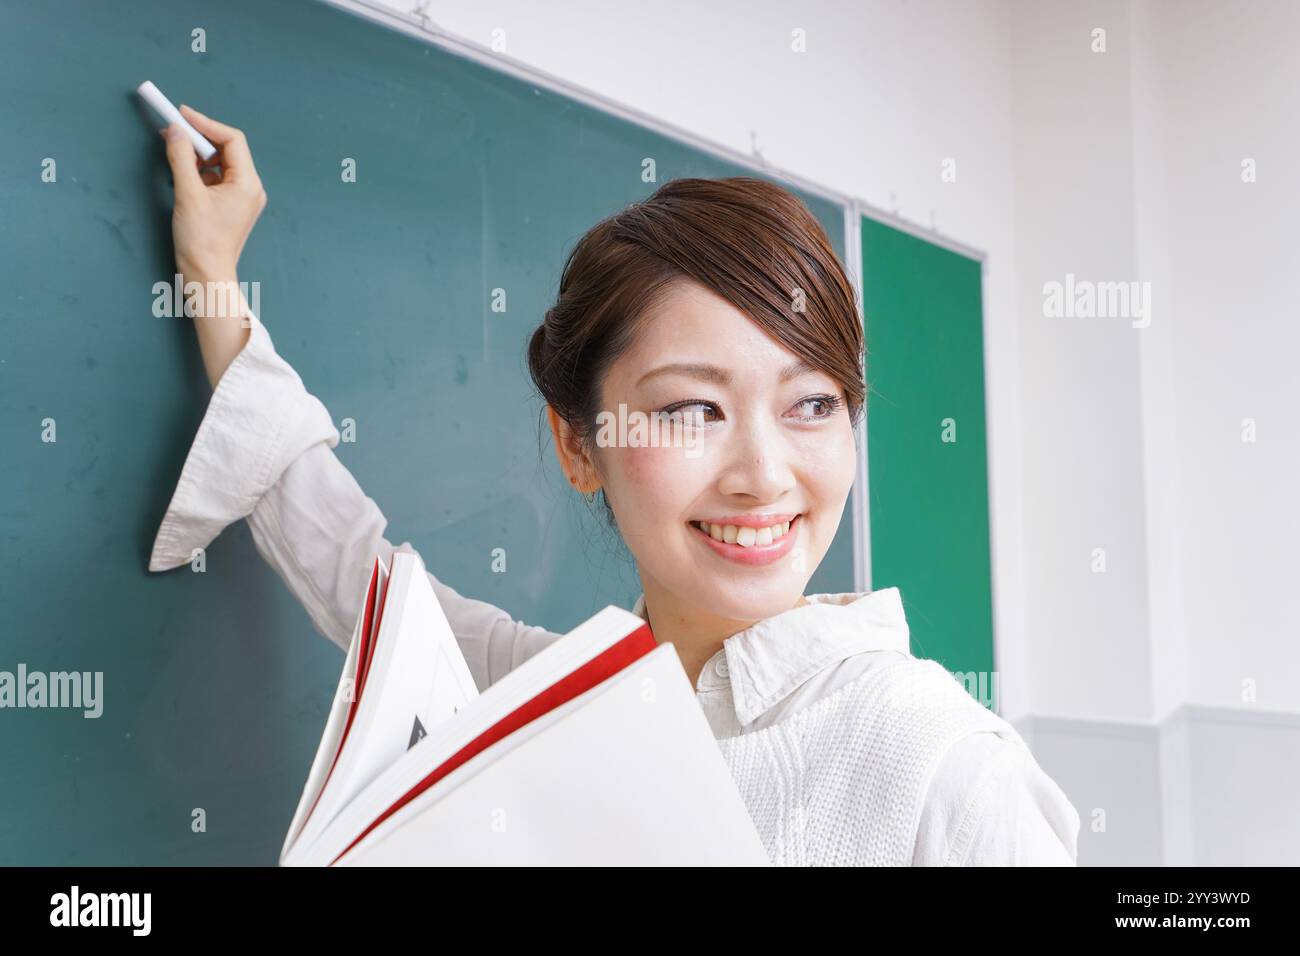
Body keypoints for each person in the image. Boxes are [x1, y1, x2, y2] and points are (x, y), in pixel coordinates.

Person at [148, 105, 1080, 866]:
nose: (763, 476)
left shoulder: (943, 763)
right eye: (691, 411)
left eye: (811, 404)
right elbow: (354, 568)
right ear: (578, 444)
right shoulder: (555, 699)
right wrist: (210, 275)